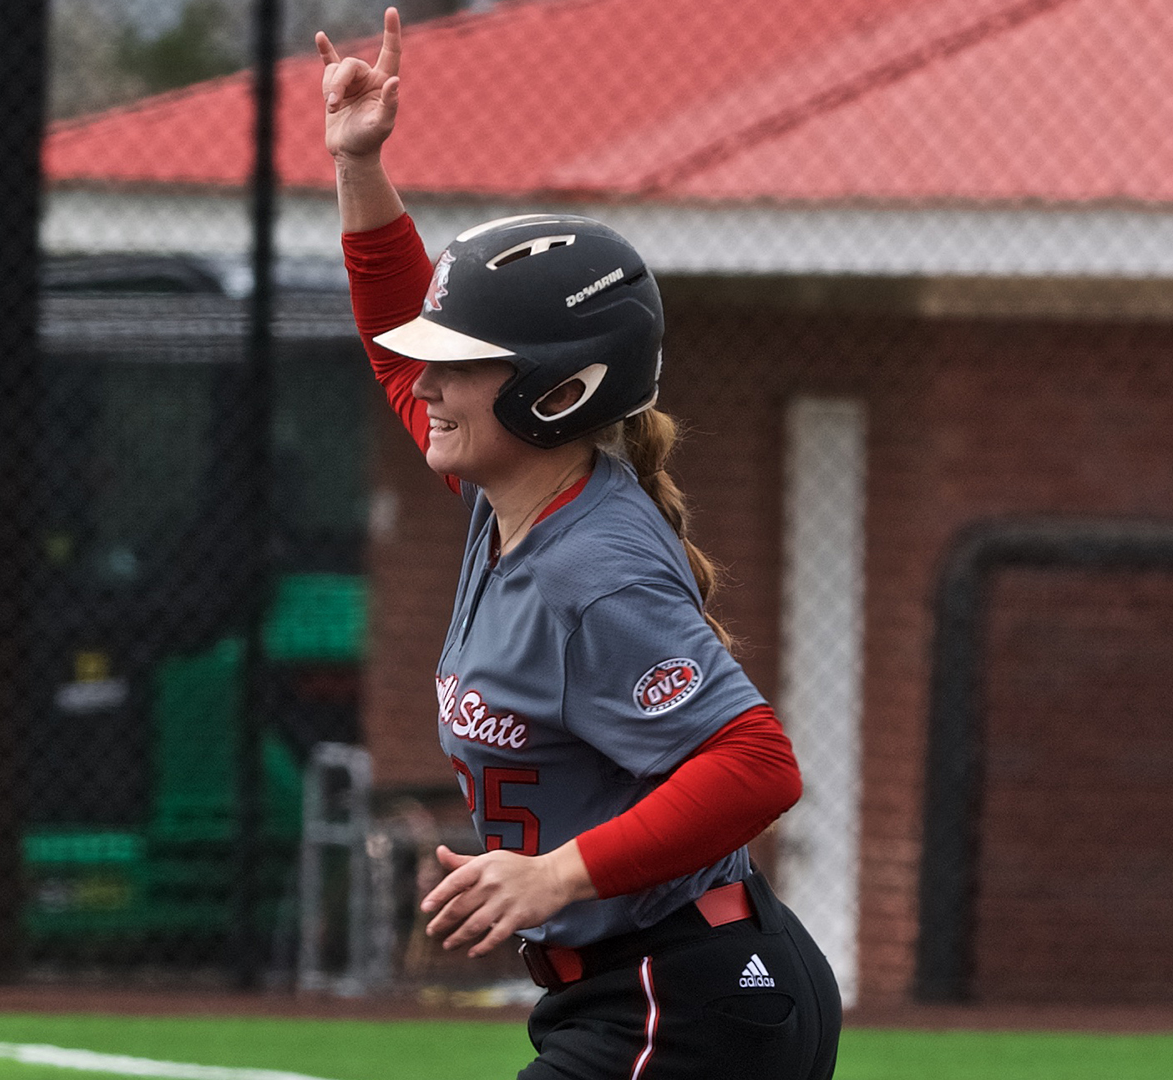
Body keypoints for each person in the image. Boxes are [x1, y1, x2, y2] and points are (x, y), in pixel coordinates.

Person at [319, 10, 840, 1079]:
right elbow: (393, 349)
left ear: (560, 392)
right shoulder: (512, 498)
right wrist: (360, 166)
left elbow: (757, 767)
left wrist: (556, 876)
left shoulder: (592, 571)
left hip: (683, 1004)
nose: (428, 382)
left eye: (462, 363)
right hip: (651, 990)